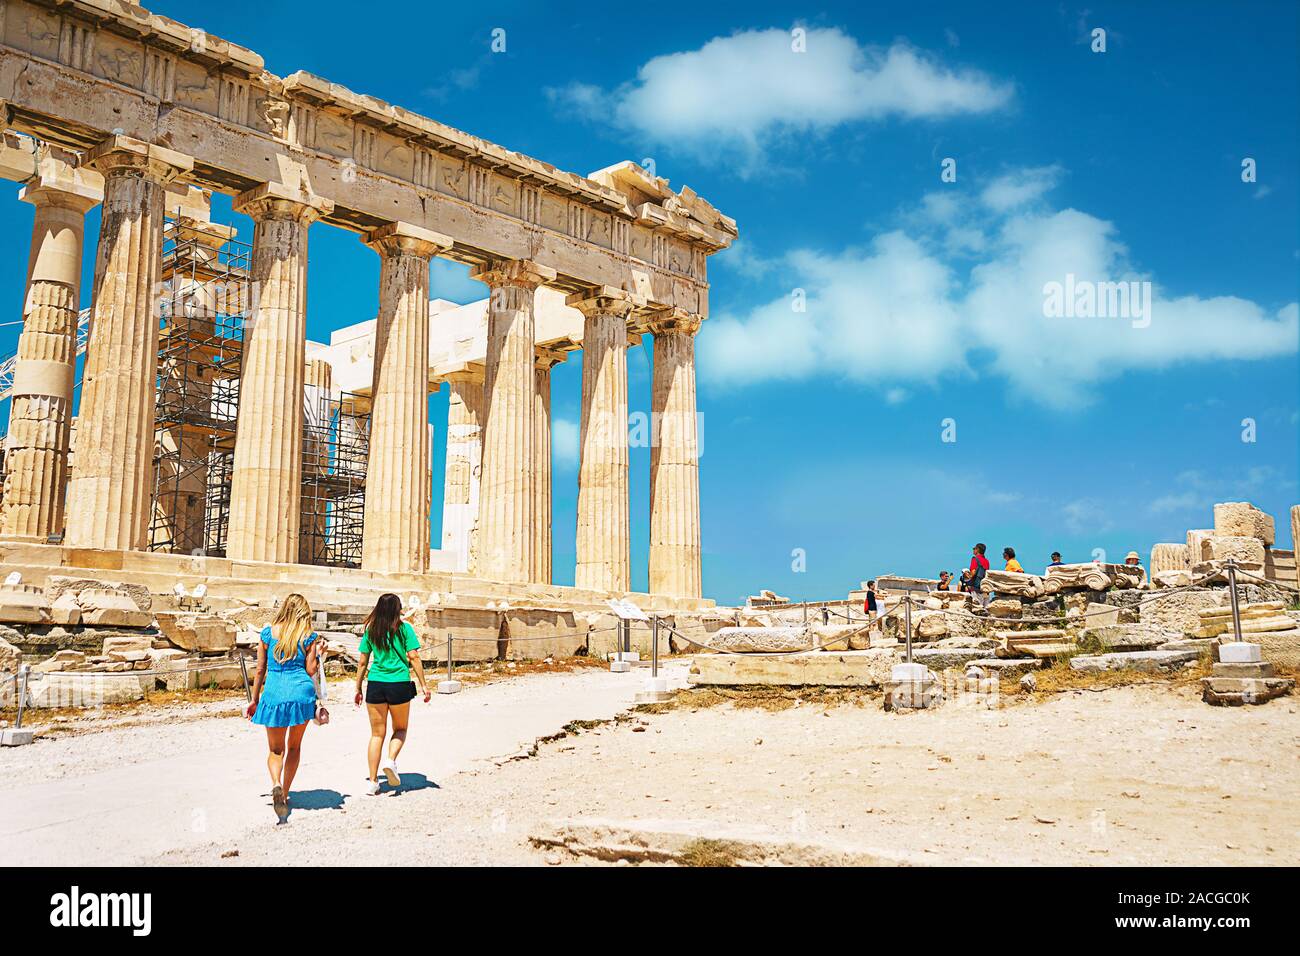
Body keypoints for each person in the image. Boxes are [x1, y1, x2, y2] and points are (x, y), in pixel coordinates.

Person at [246, 593, 325, 823]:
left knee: (275, 750)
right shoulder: (308, 636)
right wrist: (319, 655)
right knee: (295, 747)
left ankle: (276, 783)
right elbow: (311, 670)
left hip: (274, 693)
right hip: (301, 693)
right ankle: (287, 793)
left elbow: (260, 669)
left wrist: (254, 699)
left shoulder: (268, 634)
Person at [354, 593, 431, 795]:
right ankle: (390, 760)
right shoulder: (405, 629)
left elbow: (362, 661)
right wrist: (424, 684)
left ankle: (372, 781)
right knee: (400, 729)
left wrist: (358, 687)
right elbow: (413, 656)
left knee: (376, 734)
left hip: (376, 683)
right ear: (398, 609)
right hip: (399, 683)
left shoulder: (371, 630)